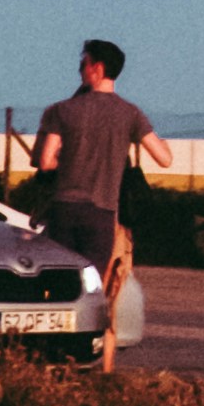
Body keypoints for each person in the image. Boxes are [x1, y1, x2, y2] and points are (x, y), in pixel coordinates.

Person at [31, 35, 157, 343]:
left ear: (96, 68)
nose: (80, 68)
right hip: (102, 212)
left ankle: (53, 347)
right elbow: (165, 158)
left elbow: (44, 161)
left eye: (83, 62)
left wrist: (70, 158)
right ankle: (83, 348)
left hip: (64, 208)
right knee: (92, 287)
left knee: (60, 283)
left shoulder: (62, 110)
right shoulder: (131, 114)